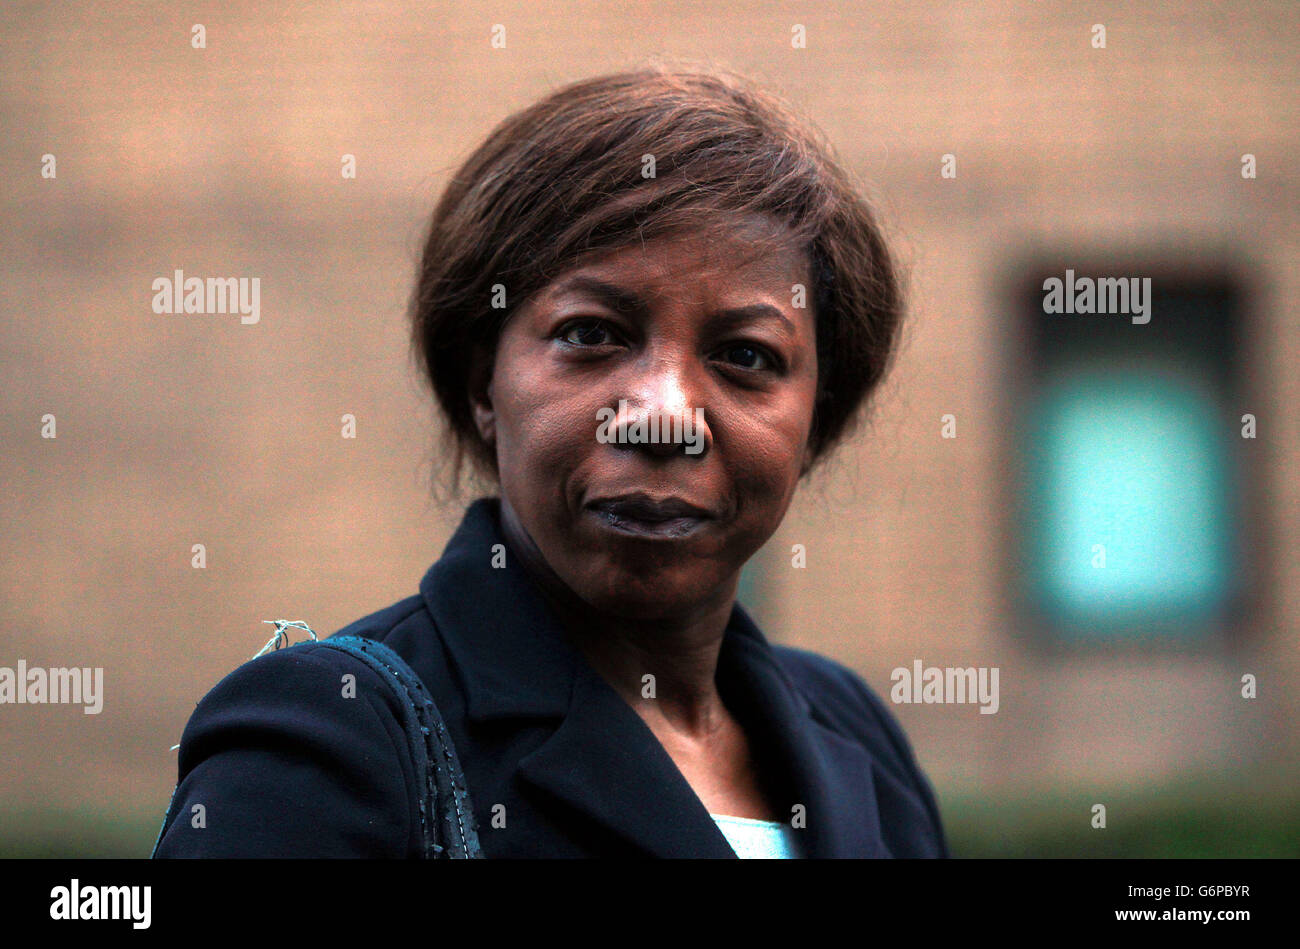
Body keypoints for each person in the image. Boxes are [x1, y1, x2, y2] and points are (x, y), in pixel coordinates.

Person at [152, 64, 949, 859]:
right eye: (591, 333)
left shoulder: (856, 735)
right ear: (483, 385)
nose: (666, 415)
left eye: (746, 353)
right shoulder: (328, 742)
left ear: (815, 421)